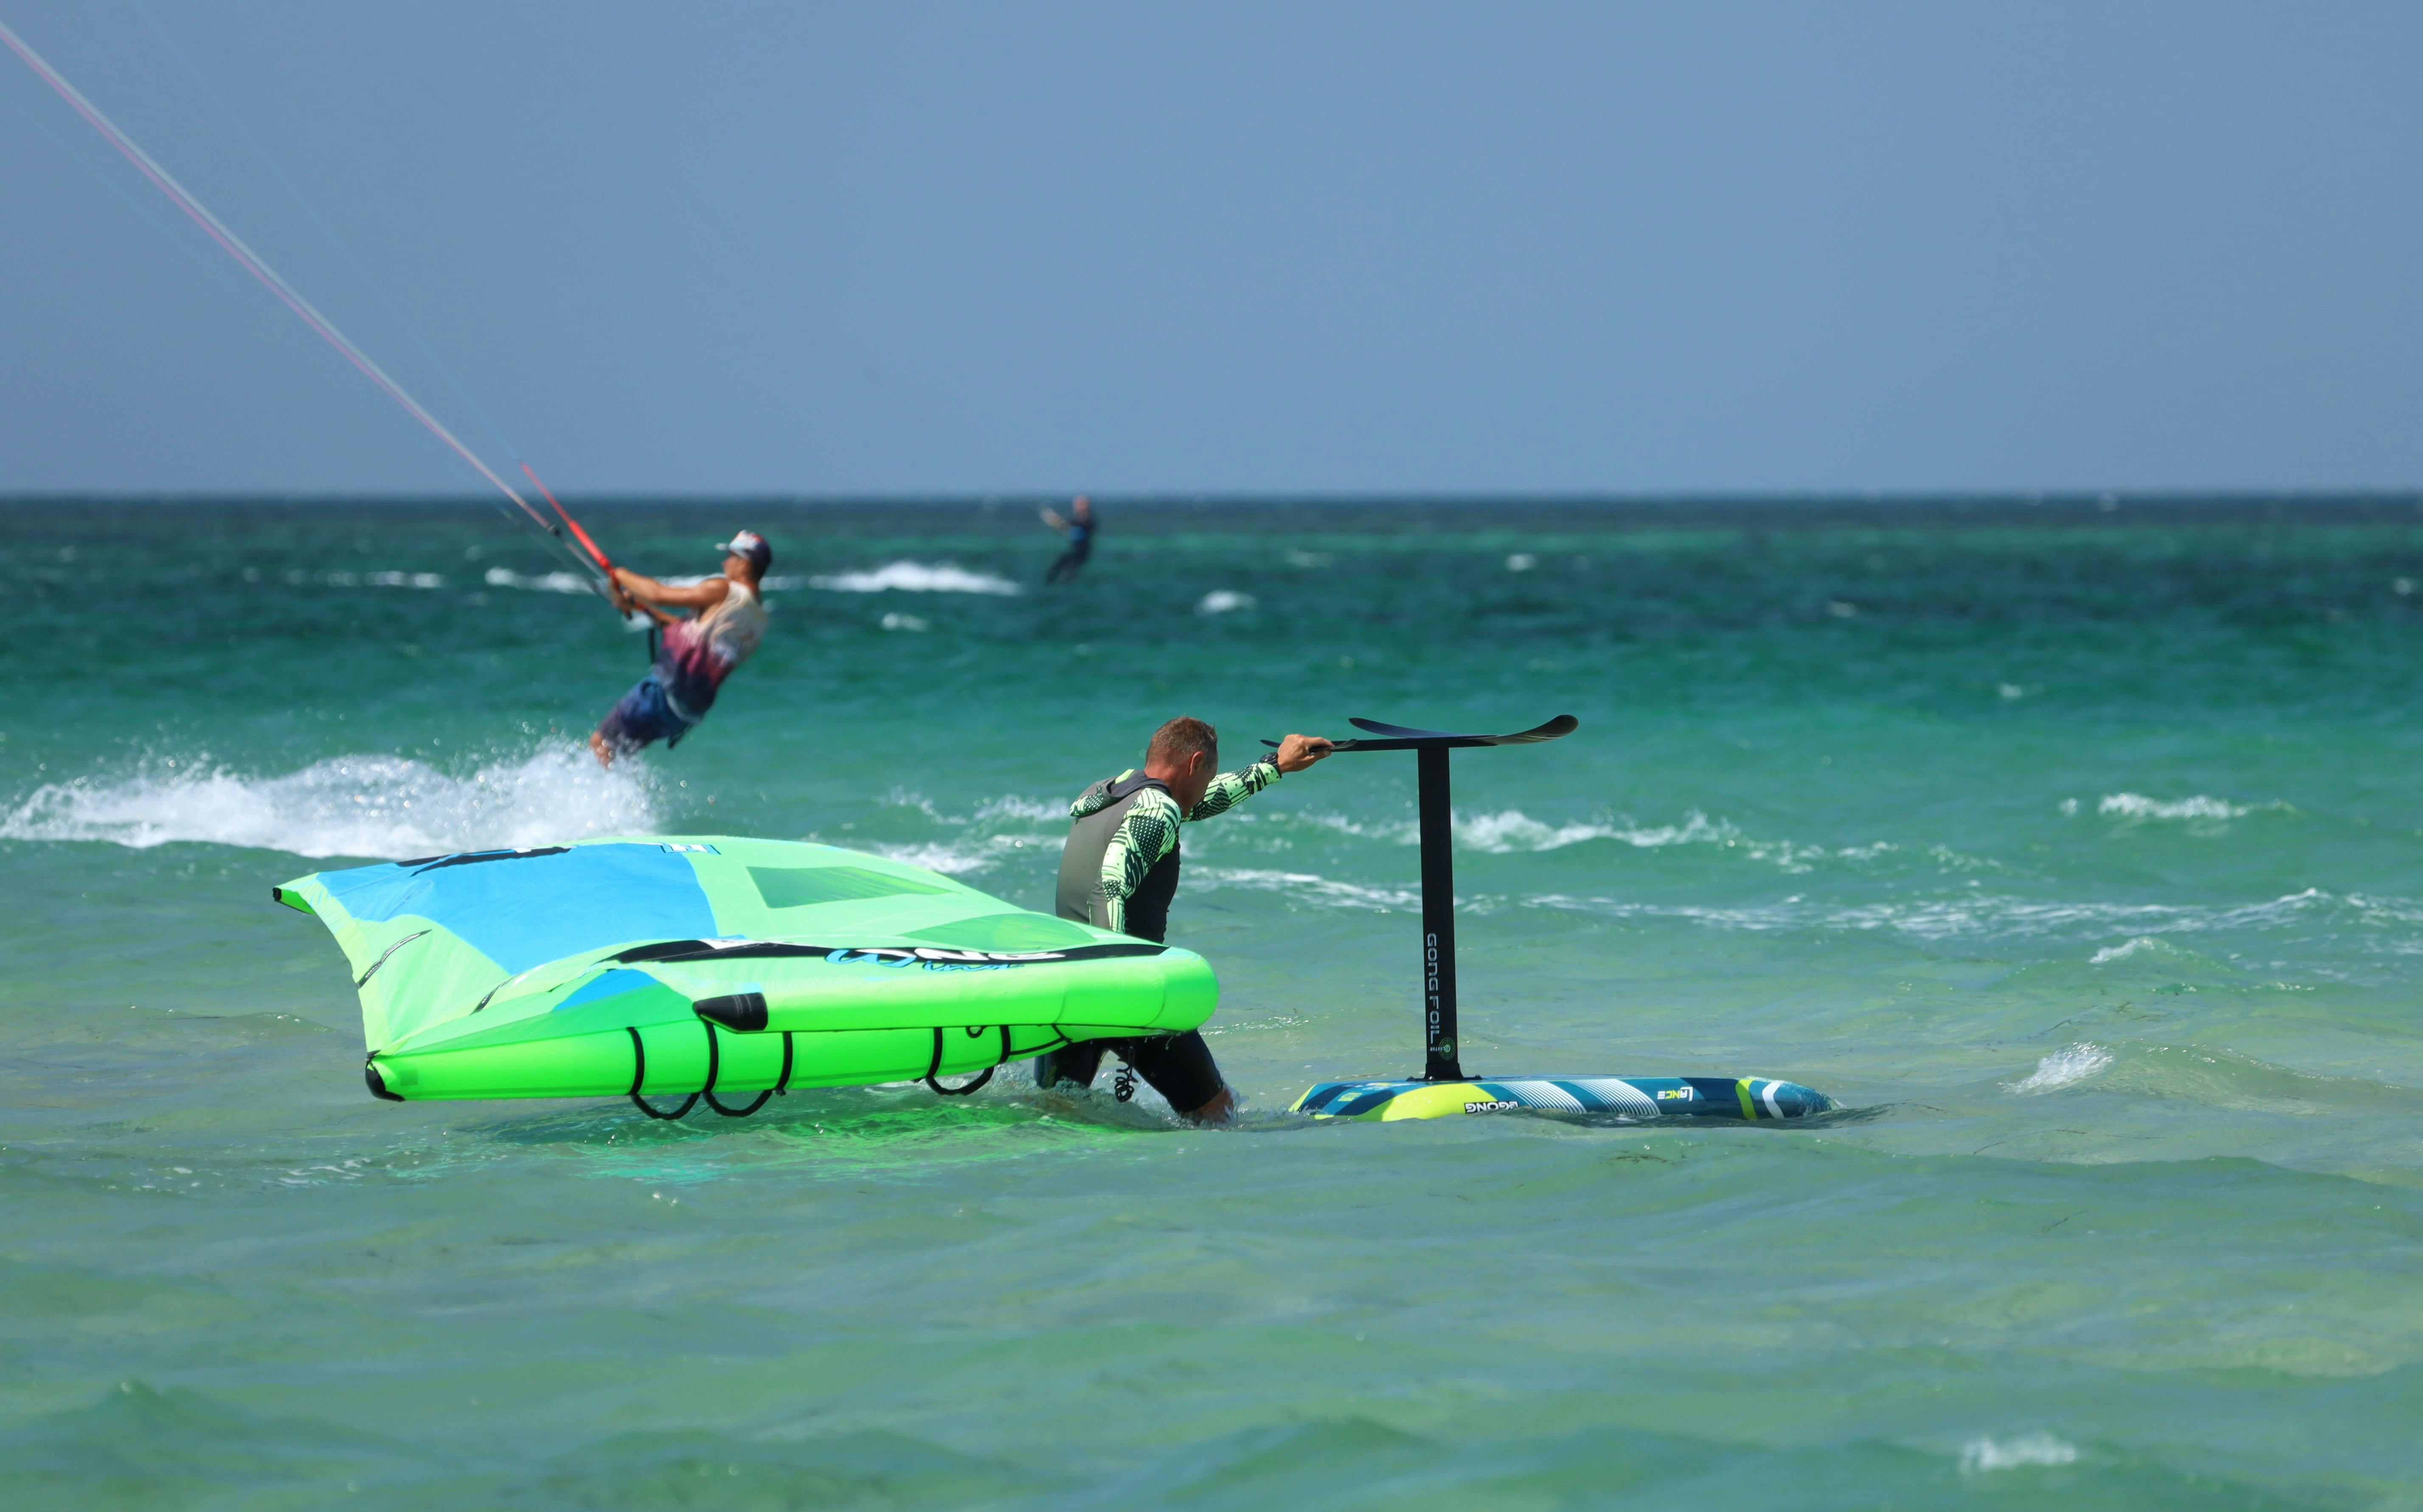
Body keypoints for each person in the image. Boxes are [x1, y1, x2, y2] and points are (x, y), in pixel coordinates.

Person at [1037, 715, 1335, 1122]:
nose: (1199, 797)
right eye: (1206, 774)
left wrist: (1275, 766)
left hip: (1069, 990)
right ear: (1196, 763)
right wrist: (1119, 976)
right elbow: (1110, 888)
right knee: (1217, 1114)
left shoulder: (1110, 793)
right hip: (1123, 993)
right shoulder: (1156, 811)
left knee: (1055, 1113)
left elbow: (1197, 802)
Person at [588, 531, 771, 766]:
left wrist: (618, 574)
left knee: (600, 743)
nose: (725, 562)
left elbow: (659, 594)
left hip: (660, 696)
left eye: (730, 556)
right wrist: (640, 608)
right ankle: (628, 797)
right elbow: (691, 635)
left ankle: (608, 800)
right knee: (621, 756)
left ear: (744, 563)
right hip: (683, 717)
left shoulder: (724, 590)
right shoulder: (759, 620)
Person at [1040, 494, 1095, 585]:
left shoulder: (1088, 520)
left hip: (1081, 553)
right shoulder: (1078, 520)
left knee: (1068, 574)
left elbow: (1078, 528)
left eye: (1081, 505)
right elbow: (1067, 529)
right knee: (1053, 571)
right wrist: (1056, 523)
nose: (1077, 507)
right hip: (1072, 551)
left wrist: (1058, 522)